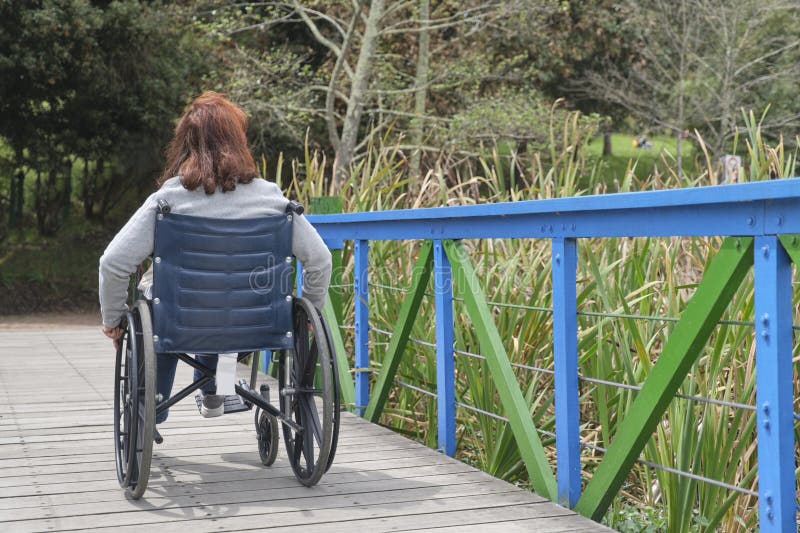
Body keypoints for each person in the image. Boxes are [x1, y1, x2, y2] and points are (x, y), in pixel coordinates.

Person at [98, 91, 332, 422]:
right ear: (239, 141)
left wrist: (113, 319)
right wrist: (311, 311)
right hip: (254, 320)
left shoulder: (168, 202)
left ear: (186, 143)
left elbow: (113, 263)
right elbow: (320, 260)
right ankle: (215, 393)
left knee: (166, 309)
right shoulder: (273, 200)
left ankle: (153, 407)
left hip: (180, 318)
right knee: (227, 306)